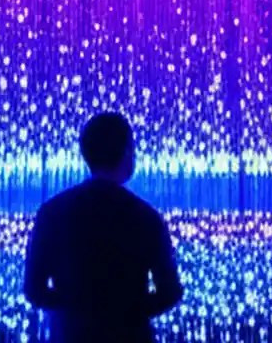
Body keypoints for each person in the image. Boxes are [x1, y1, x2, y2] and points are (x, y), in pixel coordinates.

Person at [23, 112, 183, 342]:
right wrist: (125, 313)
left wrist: (77, 309)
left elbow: (33, 290)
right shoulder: (145, 217)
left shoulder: (52, 213)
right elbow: (170, 291)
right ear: (127, 151)